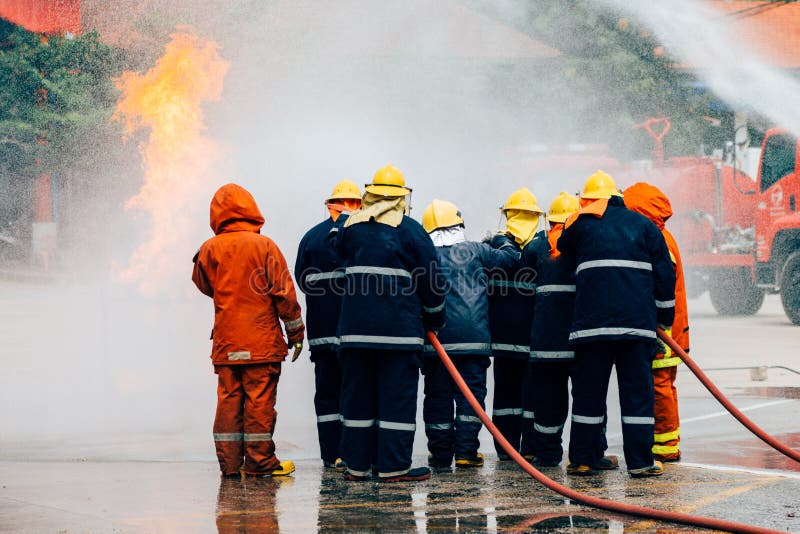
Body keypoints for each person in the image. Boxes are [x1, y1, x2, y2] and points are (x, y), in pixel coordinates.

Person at [558, 170, 675, 478]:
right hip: (636, 329)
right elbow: (665, 276)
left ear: (589, 201)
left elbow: (563, 256)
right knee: (637, 397)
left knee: (588, 396)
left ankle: (583, 459)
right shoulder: (645, 226)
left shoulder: (580, 225)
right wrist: (664, 320)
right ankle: (640, 462)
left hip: (591, 328)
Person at [335, 164, 446, 482]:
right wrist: (434, 318)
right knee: (396, 402)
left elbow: (338, 261)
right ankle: (393, 468)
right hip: (399, 337)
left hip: (355, 335)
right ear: (401, 198)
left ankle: (357, 467)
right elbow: (432, 282)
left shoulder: (349, 229)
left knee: (358, 401)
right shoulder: (411, 231)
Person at [192, 183, 304, 478]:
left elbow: (203, 284)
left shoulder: (208, 249)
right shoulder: (264, 246)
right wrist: (296, 334)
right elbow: (284, 294)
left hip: (227, 342)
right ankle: (259, 462)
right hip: (261, 342)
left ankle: (229, 465)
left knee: (229, 402)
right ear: (252, 210)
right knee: (259, 401)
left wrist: (228, 294)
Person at [420, 199, 518, 469]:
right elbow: (511, 260)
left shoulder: (425, 256)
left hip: (436, 343)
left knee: (437, 399)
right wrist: (501, 239)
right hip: (472, 341)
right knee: (470, 399)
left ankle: (441, 455)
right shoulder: (475, 250)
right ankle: (466, 453)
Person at [295, 180, 363, 471]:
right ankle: (350, 453)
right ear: (358, 205)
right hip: (353, 332)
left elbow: (301, 279)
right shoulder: (361, 237)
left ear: (330, 205)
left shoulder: (310, 238)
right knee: (354, 392)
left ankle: (330, 454)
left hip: (322, 333)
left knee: (326, 395)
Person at [623, 181, 689, 463]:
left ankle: (665, 446)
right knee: (661, 385)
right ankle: (662, 441)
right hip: (666, 327)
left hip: (665, 330)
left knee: (659, 385)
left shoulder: (657, 240)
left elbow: (659, 285)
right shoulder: (658, 236)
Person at [519, 192, 582, 467]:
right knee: (586, 401)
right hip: (578, 342)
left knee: (546, 402)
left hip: (545, 343)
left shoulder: (535, 249)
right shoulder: (584, 246)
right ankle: (587, 454)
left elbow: (523, 295)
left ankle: (546, 453)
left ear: (549, 220)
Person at [486, 188, 546, 459]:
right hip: (533, 339)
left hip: (502, 339)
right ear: (537, 216)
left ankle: (506, 450)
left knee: (504, 397)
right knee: (532, 396)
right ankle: (530, 450)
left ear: (507, 215)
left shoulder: (493, 248)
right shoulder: (544, 249)